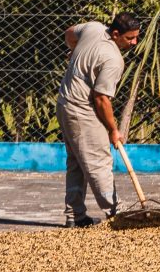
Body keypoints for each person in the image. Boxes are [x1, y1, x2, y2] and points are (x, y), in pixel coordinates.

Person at [59, 12, 142, 227]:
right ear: (116, 34)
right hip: (82, 109)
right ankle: (116, 212)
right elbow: (101, 99)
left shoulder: (93, 28)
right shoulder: (114, 60)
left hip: (65, 103)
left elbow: (69, 33)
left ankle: (75, 216)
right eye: (130, 38)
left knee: (77, 162)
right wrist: (113, 129)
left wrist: (73, 50)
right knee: (99, 162)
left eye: (136, 37)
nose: (134, 42)